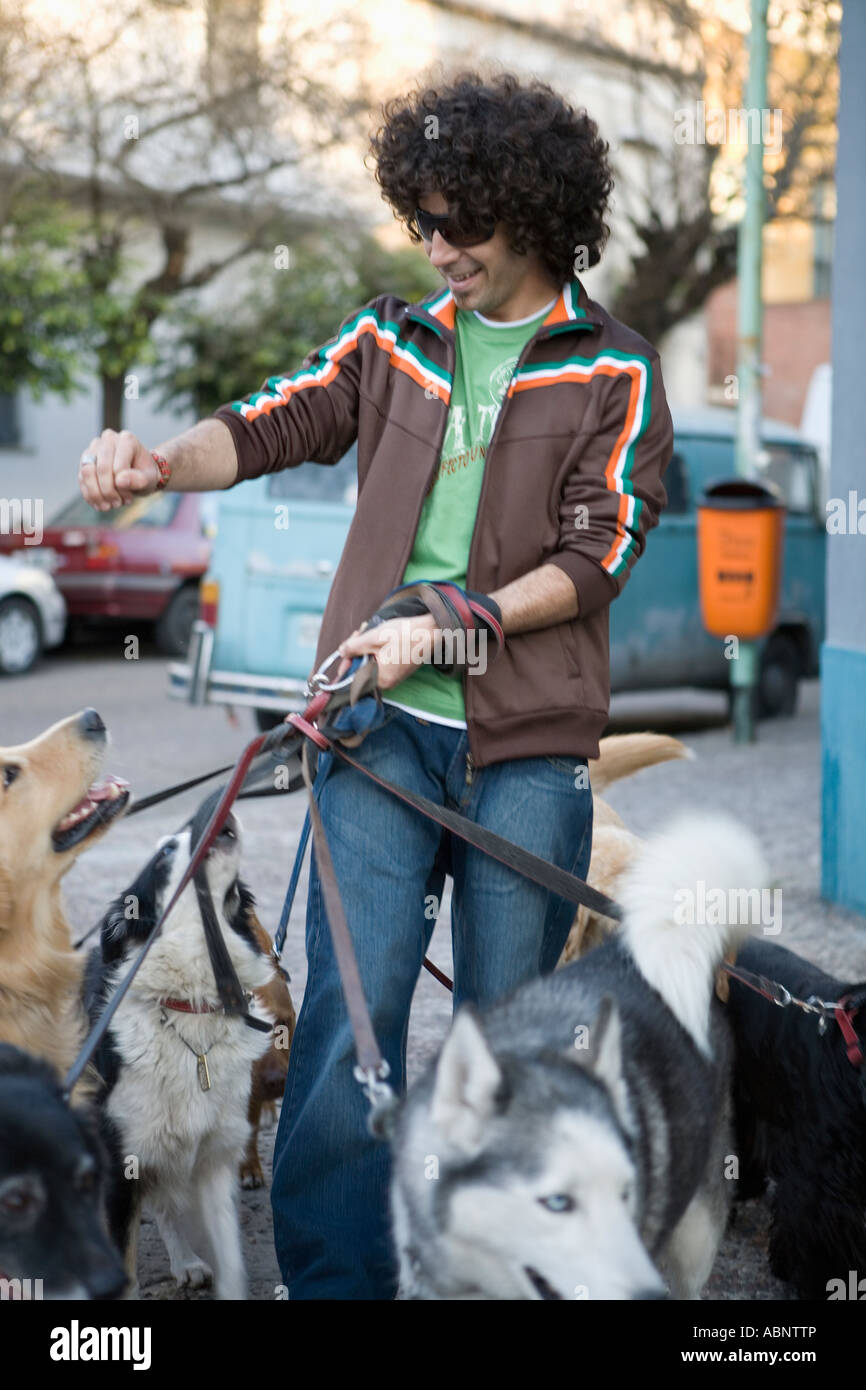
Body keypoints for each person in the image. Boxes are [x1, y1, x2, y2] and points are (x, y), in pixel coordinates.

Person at [77, 71, 673, 1301]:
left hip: (525, 748)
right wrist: (153, 461)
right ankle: (340, 1286)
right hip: (375, 736)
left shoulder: (611, 366)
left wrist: (449, 623)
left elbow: (600, 549)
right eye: (423, 220)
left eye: (463, 222)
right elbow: (265, 424)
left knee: (507, 1043)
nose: (438, 244)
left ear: (536, 212)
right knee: (353, 1026)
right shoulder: (393, 338)